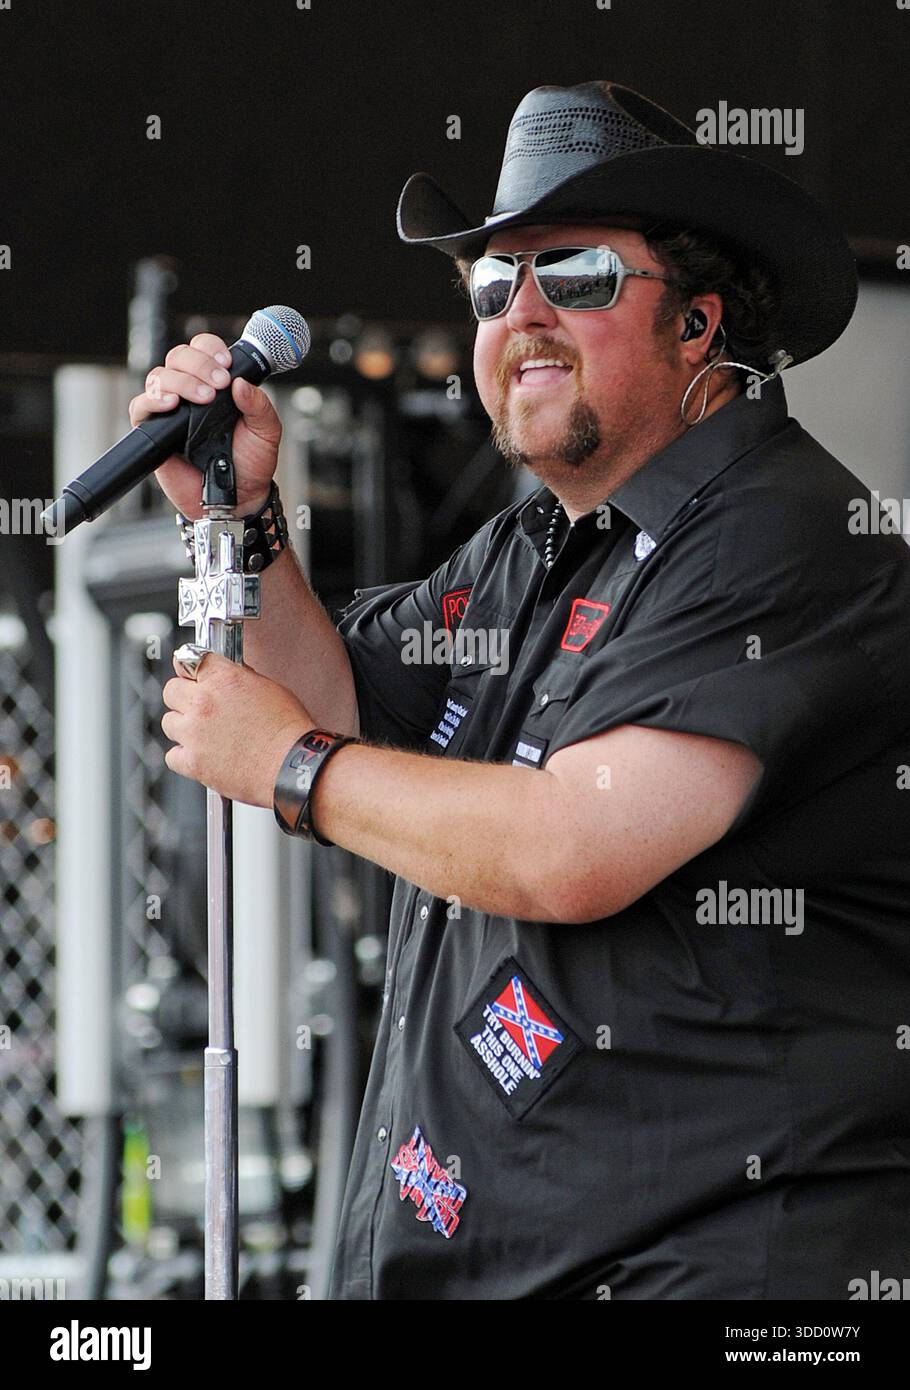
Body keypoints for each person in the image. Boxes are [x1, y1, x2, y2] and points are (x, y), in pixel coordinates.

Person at [130, 80, 910, 1299]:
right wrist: (243, 519)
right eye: (493, 287)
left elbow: (569, 844)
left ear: (699, 325)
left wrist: (289, 767)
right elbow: (337, 704)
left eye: (579, 275)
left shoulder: (781, 534)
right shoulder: (532, 548)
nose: (522, 314)